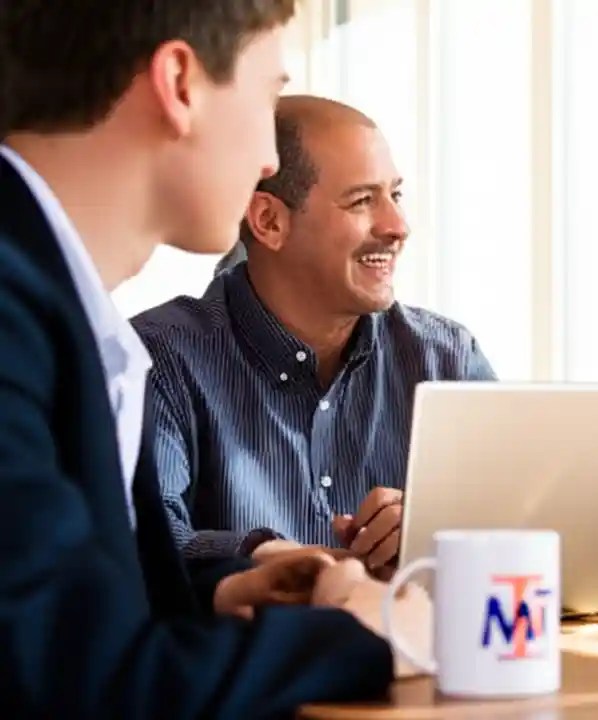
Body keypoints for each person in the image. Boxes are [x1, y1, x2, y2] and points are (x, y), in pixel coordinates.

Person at [0, 3, 425, 716]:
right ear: (179, 83)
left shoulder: (64, 314)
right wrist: (367, 632)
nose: (268, 157)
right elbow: (78, 688)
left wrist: (220, 594)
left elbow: (66, 621)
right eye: (266, 95)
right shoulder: (16, 320)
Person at [132, 96, 496, 574]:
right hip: (254, 648)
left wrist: (441, 531)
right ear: (268, 221)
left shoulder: (447, 360)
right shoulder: (158, 359)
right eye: (363, 200)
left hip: (418, 647)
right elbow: (142, 544)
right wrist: (286, 561)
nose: (397, 227)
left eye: (396, 195)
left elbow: (528, 524)